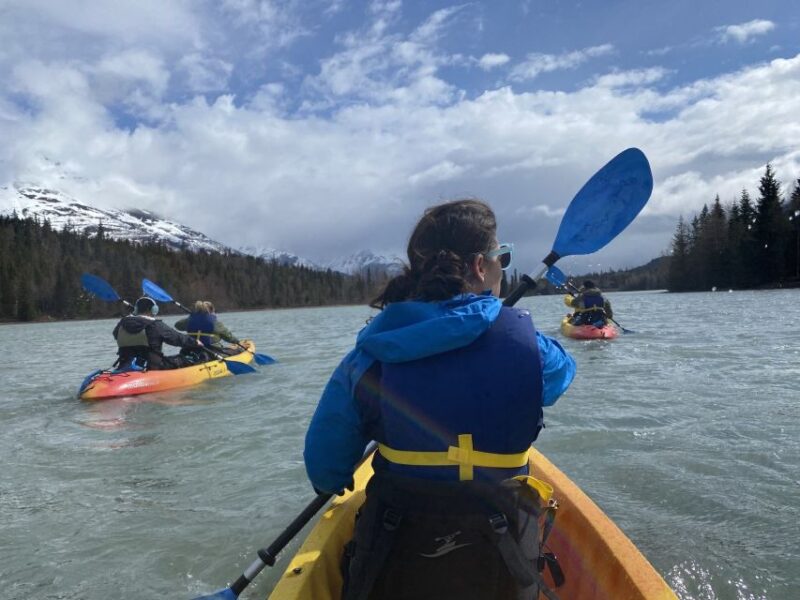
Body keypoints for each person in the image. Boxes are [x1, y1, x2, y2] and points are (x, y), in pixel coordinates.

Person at [304, 199, 576, 600]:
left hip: (396, 561)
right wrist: (495, 319)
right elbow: (560, 376)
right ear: (482, 267)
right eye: (501, 256)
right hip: (500, 567)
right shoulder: (532, 351)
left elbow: (325, 471)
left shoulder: (369, 355)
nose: (503, 265)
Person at [112, 296, 203, 370]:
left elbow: (115, 335)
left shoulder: (122, 324)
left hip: (125, 364)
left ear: (136, 309)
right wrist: (195, 342)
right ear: (153, 310)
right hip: (153, 366)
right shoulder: (155, 325)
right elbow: (176, 338)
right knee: (183, 359)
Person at [174, 300, 241, 357]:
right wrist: (237, 342)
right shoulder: (215, 323)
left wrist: (191, 317)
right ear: (211, 311)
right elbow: (229, 337)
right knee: (238, 351)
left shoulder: (189, 320)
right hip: (212, 351)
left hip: (191, 350)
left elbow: (177, 325)